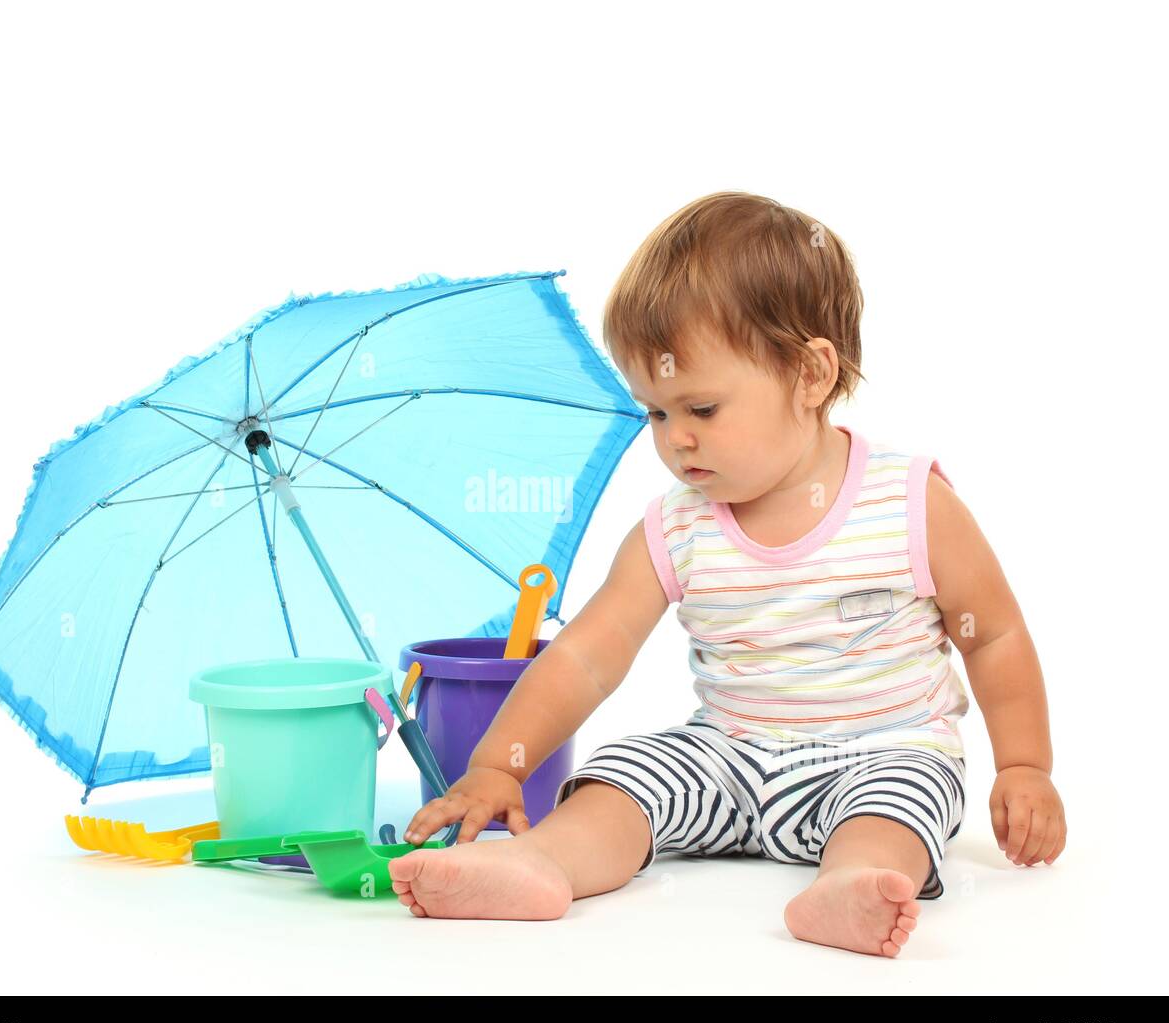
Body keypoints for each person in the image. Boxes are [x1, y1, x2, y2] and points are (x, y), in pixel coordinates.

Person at [388, 191, 1064, 957]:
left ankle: (852, 886)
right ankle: (543, 863)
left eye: (701, 407)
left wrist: (1025, 765)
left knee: (900, 803)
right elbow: (583, 655)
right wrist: (494, 766)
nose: (676, 440)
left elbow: (995, 633)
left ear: (810, 374)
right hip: (729, 755)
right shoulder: (677, 526)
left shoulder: (908, 503)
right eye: (654, 413)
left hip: (883, 748)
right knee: (626, 772)